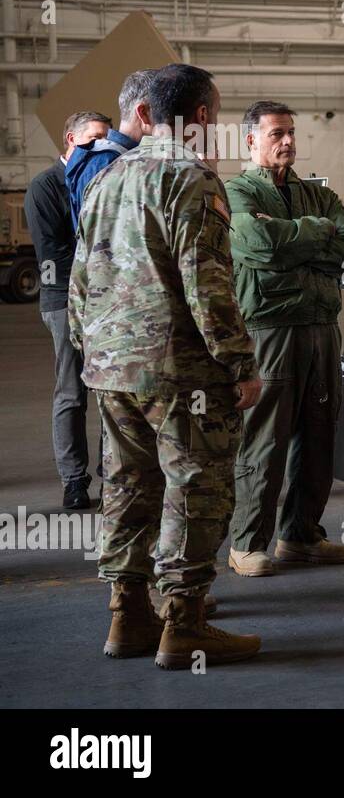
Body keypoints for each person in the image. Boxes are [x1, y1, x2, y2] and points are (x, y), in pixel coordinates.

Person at [68, 63, 263, 667]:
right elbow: (208, 288)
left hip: (111, 367)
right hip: (178, 373)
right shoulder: (193, 181)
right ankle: (185, 624)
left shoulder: (107, 178)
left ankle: (127, 618)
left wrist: (91, 349)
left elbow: (81, 277)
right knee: (195, 490)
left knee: (128, 487)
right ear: (202, 117)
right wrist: (239, 364)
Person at [225, 100, 344, 576]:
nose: (287, 142)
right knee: (266, 439)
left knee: (320, 435)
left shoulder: (315, 194)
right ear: (251, 141)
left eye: (290, 133)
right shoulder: (237, 191)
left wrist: (295, 241)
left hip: (322, 326)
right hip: (270, 329)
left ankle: (301, 535)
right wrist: (316, 237)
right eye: (276, 133)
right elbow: (257, 246)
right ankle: (246, 542)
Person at [25, 111, 109, 509]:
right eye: (92, 141)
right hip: (63, 300)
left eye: (105, 141)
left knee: (113, 391)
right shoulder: (45, 187)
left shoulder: (106, 181)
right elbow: (52, 257)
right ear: (70, 142)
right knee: (73, 392)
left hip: (110, 300)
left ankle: (114, 477)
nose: (100, 148)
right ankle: (75, 480)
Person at [65, 69, 154, 227]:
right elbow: (99, 236)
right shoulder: (104, 162)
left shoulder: (125, 158)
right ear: (143, 112)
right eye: (165, 113)